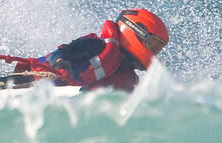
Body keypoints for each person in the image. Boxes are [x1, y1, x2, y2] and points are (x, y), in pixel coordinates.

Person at [32, 8, 169, 92]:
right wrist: (60, 62)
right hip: (35, 82)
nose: (154, 53)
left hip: (70, 98)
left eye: (158, 49)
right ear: (138, 32)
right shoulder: (95, 45)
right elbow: (59, 54)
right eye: (154, 46)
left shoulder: (128, 77)